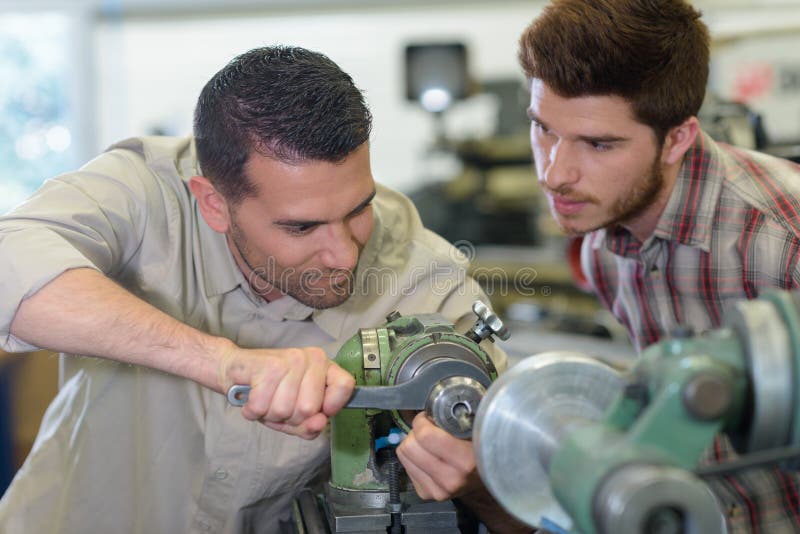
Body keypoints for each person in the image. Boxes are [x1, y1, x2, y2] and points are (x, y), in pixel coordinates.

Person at [0, 46, 526, 534]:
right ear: (212, 203)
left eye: (360, 209)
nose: (344, 255)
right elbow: (11, 258)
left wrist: (476, 477)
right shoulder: (143, 192)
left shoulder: (424, 281)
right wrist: (226, 364)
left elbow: (527, 504)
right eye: (301, 227)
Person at [518, 1, 800, 532]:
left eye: (599, 144)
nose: (555, 173)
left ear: (678, 138)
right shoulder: (603, 247)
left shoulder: (785, 242)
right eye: (544, 129)